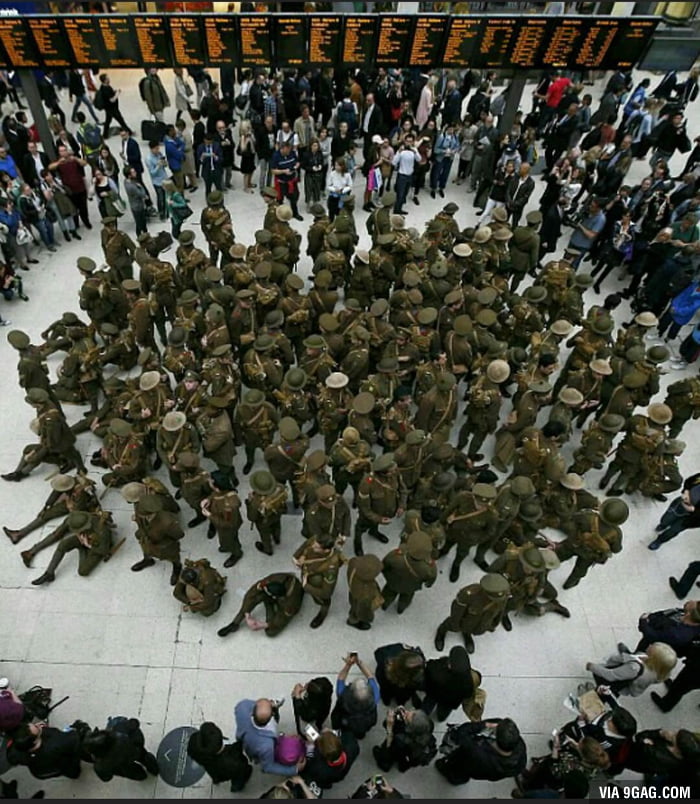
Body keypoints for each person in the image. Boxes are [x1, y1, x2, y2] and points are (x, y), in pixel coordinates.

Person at [436, 717, 528, 786]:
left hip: (467, 764)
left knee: (457, 770)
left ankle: (452, 776)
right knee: (465, 774)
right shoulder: (519, 746)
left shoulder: (477, 752)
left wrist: (484, 725)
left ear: (495, 739)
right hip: (483, 773)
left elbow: (462, 733)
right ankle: (461, 778)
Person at [218, 572, 303, 638]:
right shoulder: (271, 580)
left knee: (270, 632)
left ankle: (268, 605)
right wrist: (247, 614)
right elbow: (251, 593)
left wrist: (263, 625)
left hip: (286, 602)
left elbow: (282, 618)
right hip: (277, 594)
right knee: (256, 597)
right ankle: (234, 624)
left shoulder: (291, 603)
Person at [586, 642, 677, 697]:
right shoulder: (660, 671)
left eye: (652, 647)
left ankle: (593, 695)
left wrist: (593, 667)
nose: (649, 645)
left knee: (604, 691)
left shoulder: (634, 668)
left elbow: (611, 675)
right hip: (628, 682)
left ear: (653, 659)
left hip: (617, 683)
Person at [82, 717, 159, 782]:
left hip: (123, 766)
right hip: (135, 751)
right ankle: (154, 769)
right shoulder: (119, 731)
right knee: (145, 757)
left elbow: (106, 778)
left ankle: (141, 776)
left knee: (133, 772)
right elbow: (135, 724)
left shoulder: (100, 765)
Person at [187, 721, 252, 793]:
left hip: (212, 768)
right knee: (240, 775)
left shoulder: (195, 744)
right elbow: (238, 766)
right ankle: (236, 787)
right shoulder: (231, 763)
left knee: (214, 773)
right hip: (228, 771)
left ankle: (216, 779)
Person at [7, 721, 83, 779]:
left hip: (43, 772)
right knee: (71, 767)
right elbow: (75, 739)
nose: (38, 725)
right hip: (62, 764)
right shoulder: (56, 741)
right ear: (35, 741)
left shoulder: (14, 751)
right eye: (37, 727)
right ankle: (75, 773)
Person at [373, 706, 437, 773]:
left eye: (406, 717)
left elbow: (388, 746)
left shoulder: (400, 737)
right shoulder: (428, 727)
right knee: (404, 762)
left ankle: (385, 764)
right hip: (411, 756)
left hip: (400, 749)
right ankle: (402, 767)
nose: (405, 712)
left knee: (388, 754)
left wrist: (389, 726)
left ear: (409, 728)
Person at [330, 653, 380, 739]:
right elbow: (370, 677)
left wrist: (348, 664)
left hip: (346, 722)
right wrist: (359, 663)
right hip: (364, 723)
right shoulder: (375, 696)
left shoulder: (342, 694)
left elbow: (341, 678)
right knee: (360, 732)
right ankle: (360, 735)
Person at [421, 645, 474, 722]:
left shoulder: (437, 672)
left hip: (433, 694)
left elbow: (429, 666)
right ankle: (440, 718)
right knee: (444, 712)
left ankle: (423, 717)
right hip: (449, 703)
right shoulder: (468, 682)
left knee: (427, 705)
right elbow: (468, 695)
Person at [649, 472, 700, 550]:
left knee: (672, 531)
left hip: (691, 518)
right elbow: (689, 481)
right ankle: (663, 525)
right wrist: (686, 491)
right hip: (681, 503)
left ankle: (659, 540)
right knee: (666, 519)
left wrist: (694, 510)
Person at [271, 140, 303, 220]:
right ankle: (279, 215)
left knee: (294, 197)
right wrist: (283, 171)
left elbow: (297, 161)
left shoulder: (292, 153)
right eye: (287, 150)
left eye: (289, 150)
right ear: (282, 149)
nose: (289, 152)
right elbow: (273, 170)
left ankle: (295, 213)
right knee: (279, 199)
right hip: (281, 182)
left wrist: (296, 166)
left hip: (292, 180)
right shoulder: (276, 156)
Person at [392, 134, 419, 215]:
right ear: (405, 141)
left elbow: (419, 159)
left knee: (405, 194)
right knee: (400, 194)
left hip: (410, 175)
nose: (409, 143)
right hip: (402, 175)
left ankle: (400, 207)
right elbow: (394, 162)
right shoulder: (401, 150)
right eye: (407, 141)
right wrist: (399, 152)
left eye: (411, 141)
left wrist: (415, 152)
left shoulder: (414, 150)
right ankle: (397, 210)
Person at [96, 74, 129, 140]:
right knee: (120, 120)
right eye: (107, 78)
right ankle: (129, 132)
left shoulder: (103, 87)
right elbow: (112, 100)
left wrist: (114, 92)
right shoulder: (106, 89)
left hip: (108, 108)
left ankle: (105, 135)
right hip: (112, 109)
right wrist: (117, 94)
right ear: (105, 80)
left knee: (108, 121)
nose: (109, 79)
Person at [124, 166, 148, 236]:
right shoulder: (132, 187)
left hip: (134, 205)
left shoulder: (126, 181)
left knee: (140, 223)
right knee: (141, 224)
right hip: (138, 207)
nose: (135, 173)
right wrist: (141, 187)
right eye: (133, 172)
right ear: (129, 175)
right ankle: (142, 236)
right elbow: (142, 194)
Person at [326, 157, 352, 223]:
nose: (336, 167)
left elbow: (350, 186)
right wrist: (335, 189)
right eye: (335, 165)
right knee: (331, 213)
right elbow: (328, 185)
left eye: (338, 165)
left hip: (343, 197)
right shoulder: (332, 174)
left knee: (340, 214)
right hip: (333, 196)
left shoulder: (347, 174)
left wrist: (343, 190)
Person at [237, 119, 256, 193]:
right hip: (246, 158)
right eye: (247, 128)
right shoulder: (242, 137)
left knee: (251, 170)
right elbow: (242, 149)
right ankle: (245, 187)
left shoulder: (251, 134)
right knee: (246, 173)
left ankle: (249, 183)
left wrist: (252, 137)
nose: (249, 129)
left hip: (251, 156)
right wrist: (246, 141)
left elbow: (255, 142)